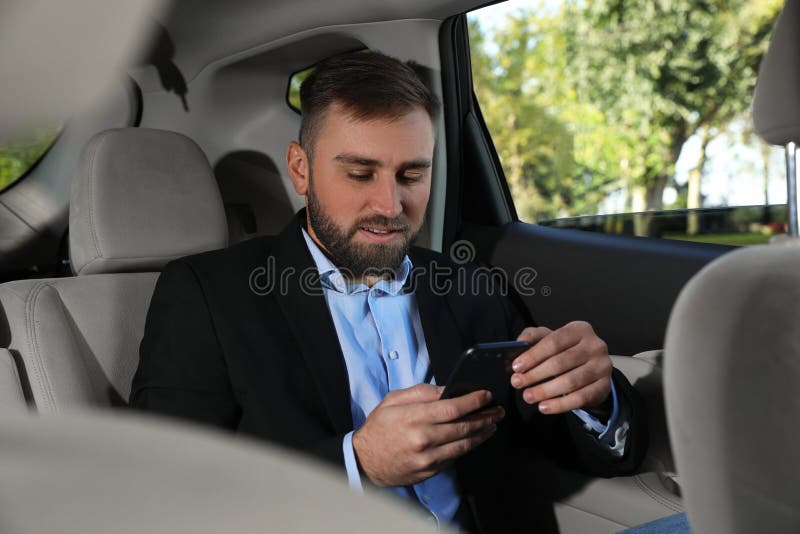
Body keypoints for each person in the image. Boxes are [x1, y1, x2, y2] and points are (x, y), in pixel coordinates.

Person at [131, 51, 647, 533]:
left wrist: (596, 399)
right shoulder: (207, 295)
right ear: (300, 169)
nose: (390, 204)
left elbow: (584, 450)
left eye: (412, 174)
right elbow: (163, 494)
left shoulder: (472, 287)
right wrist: (357, 465)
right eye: (360, 173)